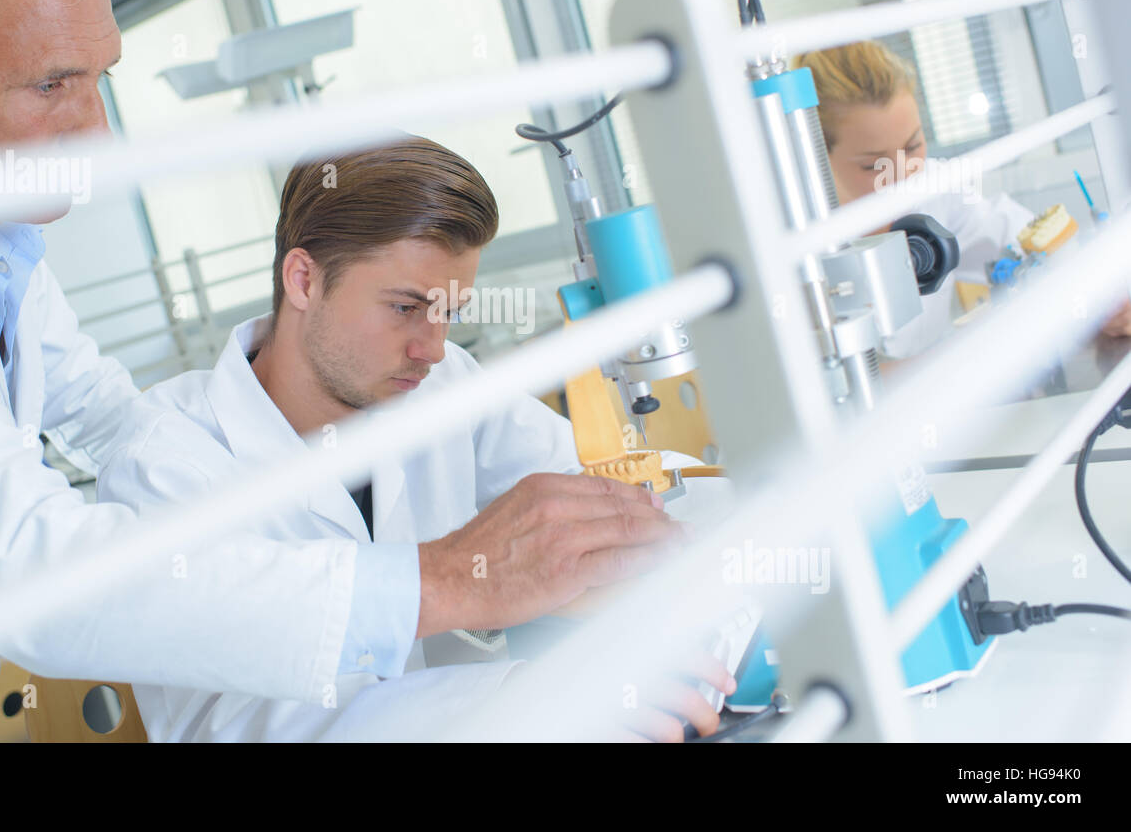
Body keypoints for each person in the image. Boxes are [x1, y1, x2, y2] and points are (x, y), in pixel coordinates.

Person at [0, 0, 689, 741]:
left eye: (101, 80)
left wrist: (224, 481)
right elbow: (29, 572)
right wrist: (445, 583)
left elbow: (98, 407)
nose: (95, 133)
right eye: (53, 84)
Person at [98, 135, 736, 742]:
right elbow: (227, 729)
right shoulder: (164, 464)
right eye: (405, 307)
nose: (432, 348)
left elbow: (600, 493)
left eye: (450, 313)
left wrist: (722, 536)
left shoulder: (441, 384)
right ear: (303, 280)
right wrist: (525, 703)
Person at [796, 39, 1131, 358]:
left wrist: (1099, 297)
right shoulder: (795, 242)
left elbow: (1017, 242)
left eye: (913, 146)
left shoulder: (938, 192)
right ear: (817, 157)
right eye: (872, 164)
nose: (904, 174)